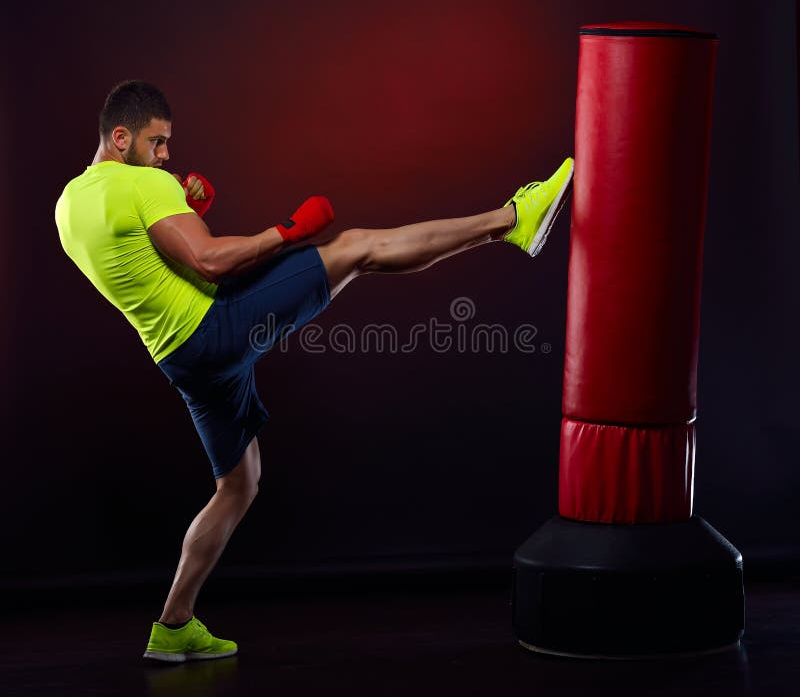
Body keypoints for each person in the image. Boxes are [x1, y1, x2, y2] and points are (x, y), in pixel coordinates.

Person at [55, 80, 574, 663]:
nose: (166, 155)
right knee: (356, 247)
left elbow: (142, 261)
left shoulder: (68, 206)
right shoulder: (143, 183)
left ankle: (173, 624)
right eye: (157, 142)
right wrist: (287, 232)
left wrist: (185, 210)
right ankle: (512, 219)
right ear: (120, 137)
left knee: (238, 485)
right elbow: (208, 261)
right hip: (216, 328)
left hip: (181, 360)